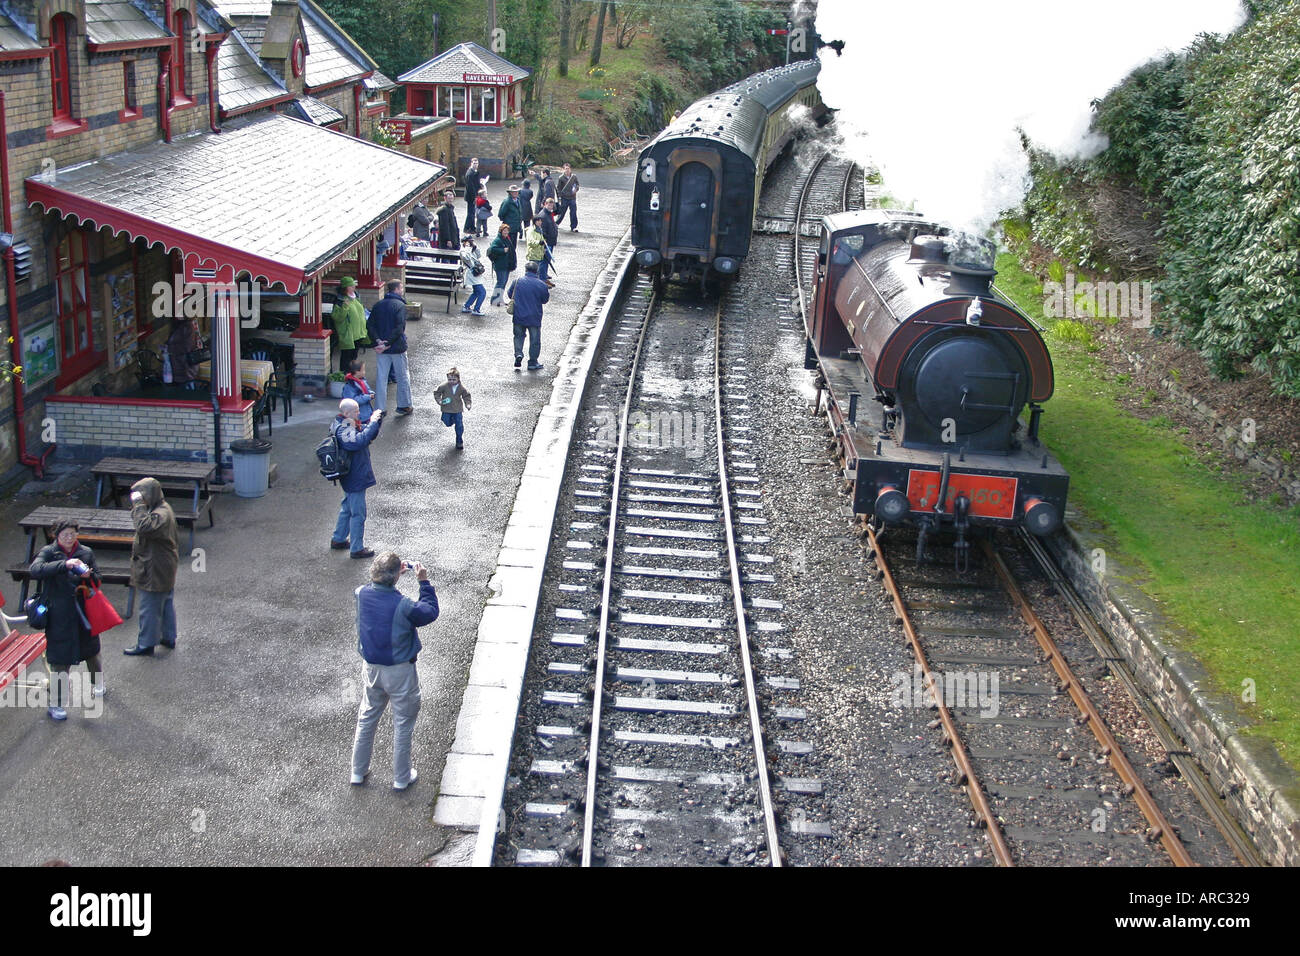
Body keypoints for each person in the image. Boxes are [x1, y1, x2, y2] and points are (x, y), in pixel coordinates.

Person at [349, 552, 438, 790]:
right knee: (403, 723)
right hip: (400, 671)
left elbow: (371, 588)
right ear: (396, 576)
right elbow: (429, 612)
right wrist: (423, 582)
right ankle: (401, 777)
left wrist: (392, 574)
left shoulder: (360, 594)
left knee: (367, 717)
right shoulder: (404, 605)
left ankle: (358, 771)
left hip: (371, 668)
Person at [30, 519, 104, 718]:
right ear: (56, 535)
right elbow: (35, 570)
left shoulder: (86, 552)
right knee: (60, 660)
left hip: (82, 611)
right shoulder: (48, 552)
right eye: (65, 535)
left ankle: (98, 684)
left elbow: (98, 579)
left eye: (73, 534)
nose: (69, 538)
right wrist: (65, 564)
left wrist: (89, 575)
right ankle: (56, 704)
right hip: (59, 614)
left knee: (92, 651)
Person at [123, 478, 180, 657]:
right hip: (163, 566)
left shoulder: (160, 515)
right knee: (165, 603)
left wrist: (138, 506)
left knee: (149, 607)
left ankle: (146, 644)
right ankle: (168, 637)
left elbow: (144, 527)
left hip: (155, 568)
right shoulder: (162, 509)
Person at [329, 399, 385, 559]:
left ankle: (338, 538)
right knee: (358, 513)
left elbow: (364, 435)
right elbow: (358, 441)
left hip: (350, 475)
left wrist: (375, 422)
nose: (359, 413)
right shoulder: (345, 427)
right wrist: (373, 423)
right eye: (356, 411)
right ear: (346, 413)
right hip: (355, 475)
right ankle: (356, 548)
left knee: (347, 507)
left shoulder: (341, 424)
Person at [365, 279, 413, 416]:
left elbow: (370, 325)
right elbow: (399, 328)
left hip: (381, 348)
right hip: (397, 347)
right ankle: (404, 405)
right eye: (401, 288)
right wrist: (388, 342)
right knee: (402, 376)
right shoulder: (400, 306)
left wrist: (378, 341)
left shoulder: (378, 305)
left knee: (381, 377)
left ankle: (380, 408)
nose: (402, 290)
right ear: (397, 289)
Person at [508, 260, 550, 371]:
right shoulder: (541, 284)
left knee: (518, 336)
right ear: (537, 271)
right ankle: (532, 362)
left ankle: (518, 354)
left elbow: (509, 294)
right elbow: (545, 300)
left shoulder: (517, 281)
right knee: (535, 340)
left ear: (526, 270)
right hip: (534, 317)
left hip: (519, 315)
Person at [333, 276, 367, 372]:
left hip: (358, 334)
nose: (354, 287)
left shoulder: (356, 297)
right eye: (351, 285)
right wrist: (345, 307)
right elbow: (337, 318)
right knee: (346, 357)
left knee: (354, 357)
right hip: (348, 335)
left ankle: (352, 375)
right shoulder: (340, 301)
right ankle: (344, 376)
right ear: (345, 287)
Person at [433, 367, 472, 449]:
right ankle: (452, 421)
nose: (451, 381)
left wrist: (468, 404)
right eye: (449, 379)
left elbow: (466, 396)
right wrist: (439, 401)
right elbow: (437, 393)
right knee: (446, 421)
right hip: (446, 409)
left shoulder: (461, 388)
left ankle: (459, 441)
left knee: (459, 425)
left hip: (457, 409)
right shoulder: (444, 386)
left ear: (458, 379)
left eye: (453, 379)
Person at [165, 318, 203, 386]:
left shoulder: (187, 327)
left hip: (184, 367)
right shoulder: (178, 325)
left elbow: (187, 347)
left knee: (184, 389)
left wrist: (169, 348)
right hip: (177, 366)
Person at [487, 223, 516, 306]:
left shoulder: (507, 239)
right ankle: (495, 300)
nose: (506, 233)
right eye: (504, 231)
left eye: (507, 231)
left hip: (506, 265)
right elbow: (492, 249)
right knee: (500, 282)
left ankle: (499, 299)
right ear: (501, 231)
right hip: (500, 265)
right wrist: (503, 250)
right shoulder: (498, 240)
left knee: (503, 282)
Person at [459, 236, 487, 315]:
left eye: (471, 241)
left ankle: (467, 306)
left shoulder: (472, 249)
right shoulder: (463, 251)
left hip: (476, 272)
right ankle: (476, 309)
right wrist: (468, 248)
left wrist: (475, 247)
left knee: (476, 292)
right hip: (472, 273)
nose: (470, 243)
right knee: (482, 292)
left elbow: (478, 256)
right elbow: (466, 258)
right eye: (468, 241)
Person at [342, 358, 375, 424]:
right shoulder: (350, 385)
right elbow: (353, 401)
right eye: (363, 370)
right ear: (357, 372)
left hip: (366, 413)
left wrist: (371, 393)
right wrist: (368, 397)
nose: (364, 372)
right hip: (358, 416)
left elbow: (367, 389)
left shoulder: (362, 380)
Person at [525, 214, 553, 287]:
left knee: (537, 272)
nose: (540, 222)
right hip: (533, 254)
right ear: (534, 221)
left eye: (540, 221)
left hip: (539, 254)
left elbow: (542, 240)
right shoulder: (531, 230)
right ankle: (531, 286)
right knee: (532, 273)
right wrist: (539, 242)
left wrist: (543, 244)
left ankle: (536, 286)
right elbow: (530, 242)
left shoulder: (539, 229)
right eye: (538, 221)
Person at [555, 162, 581, 233]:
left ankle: (573, 226)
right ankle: (556, 223)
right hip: (564, 198)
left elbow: (577, 184)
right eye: (565, 169)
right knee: (562, 212)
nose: (567, 170)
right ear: (563, 169)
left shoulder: (574, 177)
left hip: (572, 197)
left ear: (570, 169)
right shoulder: (561, 178)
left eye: (568, 169)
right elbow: (558, 189)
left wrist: (576, 189)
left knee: (573, 212)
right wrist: (559, 198)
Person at [499, 184, 524, 253]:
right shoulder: (507, 202)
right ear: (510, 193)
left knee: (513, 247)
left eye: (517, 192)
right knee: (509, 247)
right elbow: (501, 214)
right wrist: (508, 222)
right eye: (514, 192)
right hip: (509, 228)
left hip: (516, 228)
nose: (516, 193)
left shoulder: (518, 200)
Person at [539, 198, 560, 278]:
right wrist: (545, 244)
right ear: (545, 204)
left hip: (551, 241)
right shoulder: (543, 215)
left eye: (552, 205)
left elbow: (559, 211)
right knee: (544, 261)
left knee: (547, 261)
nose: (551, 207)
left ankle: (544, 275)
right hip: (547, 243)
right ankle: (542, 278)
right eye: (549, 205)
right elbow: (542, 231)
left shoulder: (549, 213)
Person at [463, 158, 484, 234]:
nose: (476, 165)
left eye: (477, 163)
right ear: (471, 163)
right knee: (471, 213)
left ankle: (472, 227)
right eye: (474, 163)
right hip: (471, 197)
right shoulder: (470, 173)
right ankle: (467, 228)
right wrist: (475, 197)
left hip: (474, 195)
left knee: (472, 212)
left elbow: (476, 183)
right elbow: (470, 187)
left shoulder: (474, 172)